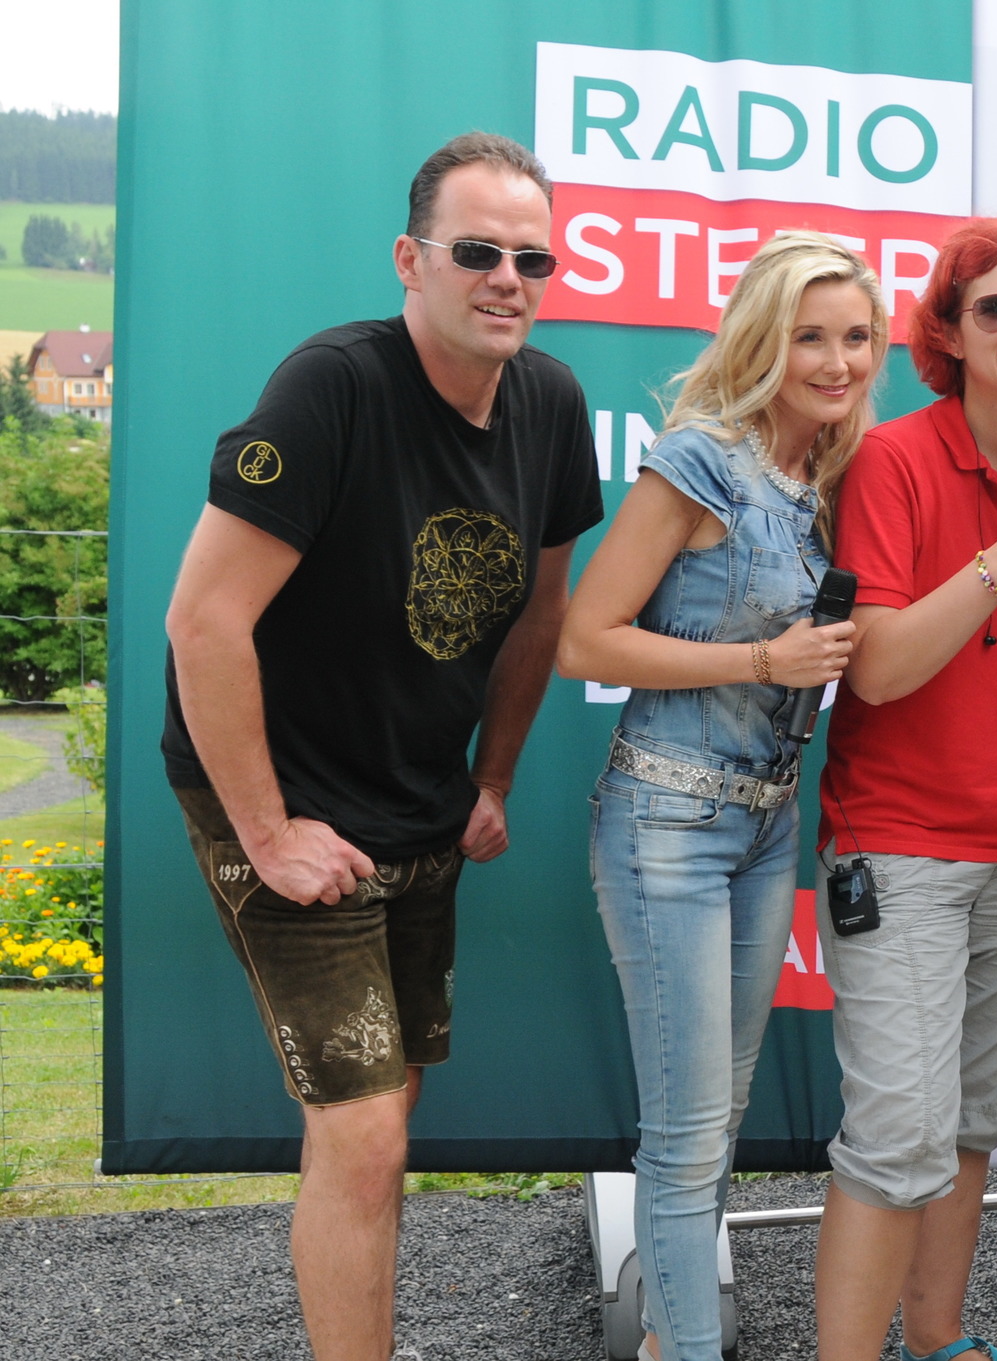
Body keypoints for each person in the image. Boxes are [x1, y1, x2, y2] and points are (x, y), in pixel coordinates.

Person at [160, 133, 604, 1361]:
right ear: (412, 259)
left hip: (417, 795)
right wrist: (263, 831)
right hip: (283, 797)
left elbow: (539, 612)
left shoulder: (553, 403)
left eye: (532, 256)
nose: (507, 277)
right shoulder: (333, 387)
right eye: (476, 252)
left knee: (386, 1110)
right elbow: (203, 619)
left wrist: (496, 774)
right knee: (362, 1134)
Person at [555, 231, 885, 1361]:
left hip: (762, 824)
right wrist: (761, 663)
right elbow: (582, 638)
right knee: (687, 1138)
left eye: (855, 336)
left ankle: (666, 1341)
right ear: (762, 337)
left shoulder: (828, 478)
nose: (837, 361)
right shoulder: (700, 459)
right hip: (667, 824)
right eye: (810, 335)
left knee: (712, 1129)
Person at [811, 218, 997, 1361]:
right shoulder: (893, 458)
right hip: (901, 847)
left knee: (972, 1126)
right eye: (996, 306)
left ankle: (936, 1341)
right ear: (945, 329)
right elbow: (878, 666)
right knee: (897, 1138)